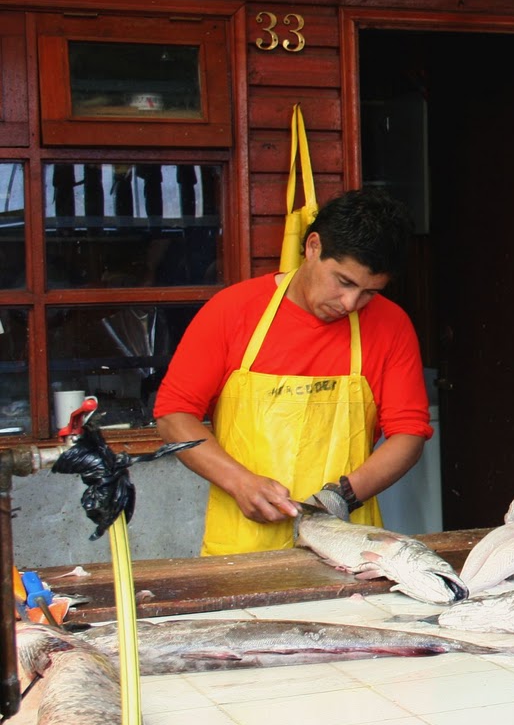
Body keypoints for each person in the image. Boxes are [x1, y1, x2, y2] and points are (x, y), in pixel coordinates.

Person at [155, 188, 433, 556]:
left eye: (369, 292)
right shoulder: (233, 311)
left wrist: (342, 496)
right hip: (240, 547)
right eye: (344, 282)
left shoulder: (390, 325)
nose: (350, 304)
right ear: (313, 247)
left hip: (346, 543)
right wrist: (239, 482)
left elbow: (409, 434)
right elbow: (173, 414)